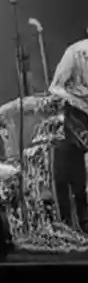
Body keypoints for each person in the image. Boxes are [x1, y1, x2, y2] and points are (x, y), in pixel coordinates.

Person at [47, 38, 88, 231]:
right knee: (74, 177)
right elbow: (55, 87)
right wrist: (78, 102)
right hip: (78, 116)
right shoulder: (75, 52)